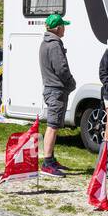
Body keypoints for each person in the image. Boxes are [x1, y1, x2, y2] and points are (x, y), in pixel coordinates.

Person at [37, 14, 77, 177]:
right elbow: (61, 69)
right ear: (58, 28)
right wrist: (71, 82)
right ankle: (47, 163)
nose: (65, 29)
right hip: (56, 90)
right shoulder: (54, 45)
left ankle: (51, 159)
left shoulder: (46, 42)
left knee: (55, 124)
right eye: (63, 26)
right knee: (53, 126)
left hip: (51, 88)